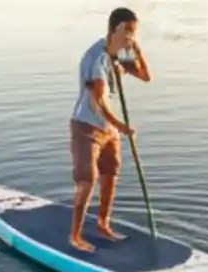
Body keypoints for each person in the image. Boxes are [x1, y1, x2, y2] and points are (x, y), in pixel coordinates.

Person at [69, 7, 153, 253]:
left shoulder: (117, 56)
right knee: (87, 181)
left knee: (110, 176)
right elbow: (99, 102)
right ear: (114, 29)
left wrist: (136, 50)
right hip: (87, 126)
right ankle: (75, 236)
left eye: (134, 32)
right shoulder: (96, 58)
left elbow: (146, 76)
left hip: (109, 130)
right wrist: (121, 127)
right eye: (127, 31)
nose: (130, 36)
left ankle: (103, 224)